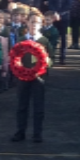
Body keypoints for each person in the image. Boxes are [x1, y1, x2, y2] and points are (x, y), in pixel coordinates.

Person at [10, 12, 54, 143]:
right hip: (23, 77)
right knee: (21, 105)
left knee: (38, 106)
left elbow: (52, 59)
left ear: (41, 25)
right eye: (32, 22)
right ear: (27, 23)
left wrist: (46, 62)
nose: (34, 25)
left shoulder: (44, 41)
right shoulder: (21, 40)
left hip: (38, 77)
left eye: (37, 22)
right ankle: (20, 131)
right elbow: (15, 56)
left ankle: (37, 133)